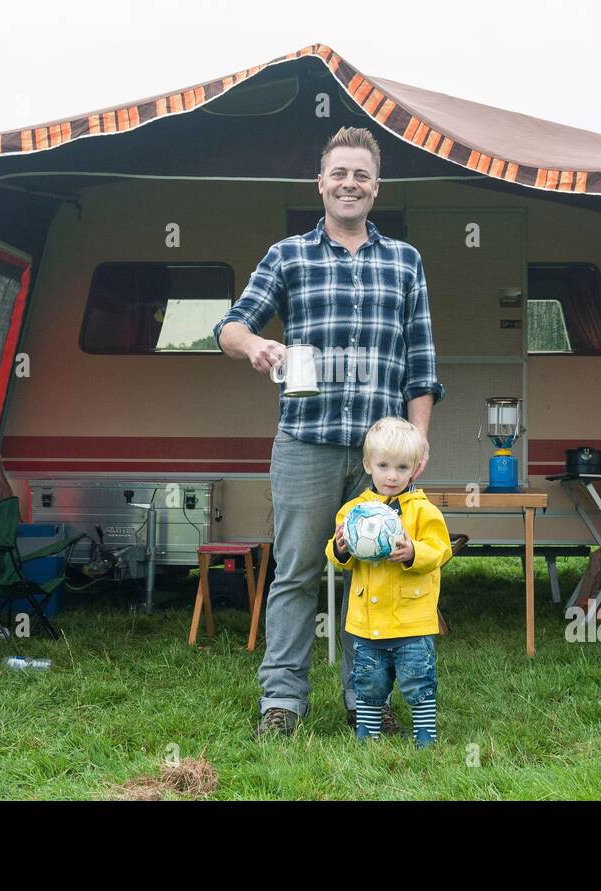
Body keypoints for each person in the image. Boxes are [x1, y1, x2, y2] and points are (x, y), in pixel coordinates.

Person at [213, 126, 444, 738]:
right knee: (296, 573)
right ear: (321, 184)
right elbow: (228, 327)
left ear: (376, 187)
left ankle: (365, 701)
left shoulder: (405, 261)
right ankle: (282, 704)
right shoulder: (287, 255)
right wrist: (259, 344)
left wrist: (417, 441)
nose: (350, 184)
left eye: (361, 175)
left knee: (375, 572)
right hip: (304, 443)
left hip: (380, 456)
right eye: (339, 174)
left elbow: (421, 363)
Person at [326, 417, 452, 747]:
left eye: (401, 467)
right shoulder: (352, 512)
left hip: (412, 622)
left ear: (414, 469)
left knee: (417, 680)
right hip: (368, 622)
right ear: (368, 465)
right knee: (368, 683)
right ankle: (367, 737)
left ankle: (425, 738)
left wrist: (413, 552)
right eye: (383, 465)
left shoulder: (424, 511)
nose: (392, 475)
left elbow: (440, 550)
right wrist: (340, 549)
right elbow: (339, 554)